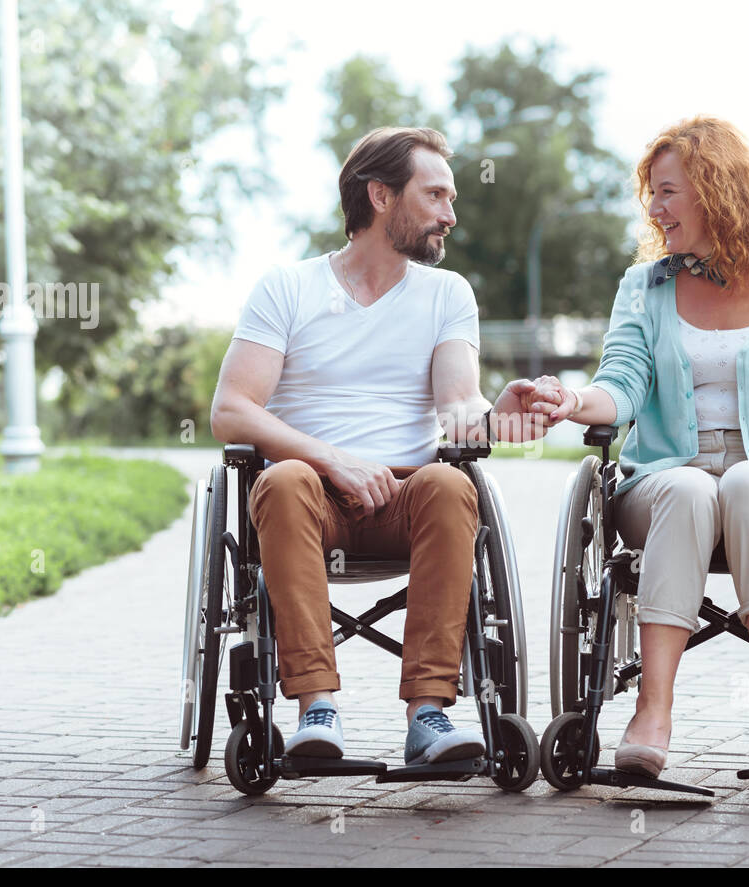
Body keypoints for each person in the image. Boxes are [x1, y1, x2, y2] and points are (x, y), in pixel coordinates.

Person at [527, 115, 749, 777]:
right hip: (667, 481)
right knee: (694, 486)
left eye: (667, 192)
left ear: (716, 191)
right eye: (652, 194)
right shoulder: (646, 286)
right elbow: (622, 384)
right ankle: (653, 709)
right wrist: (572, 401)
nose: (654, 208)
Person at [209, 127, 550, 765]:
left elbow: (459, 412)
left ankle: (429, 716)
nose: (451, 214)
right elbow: (230, 410)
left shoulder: (448, 294)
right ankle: (317, 710)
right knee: (280, 481)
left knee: (452, 484)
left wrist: (500, 418)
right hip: (306, 493)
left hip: (405, 496)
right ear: (380, 196)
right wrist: (331, 458)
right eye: (436, 196)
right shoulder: (288, 287)